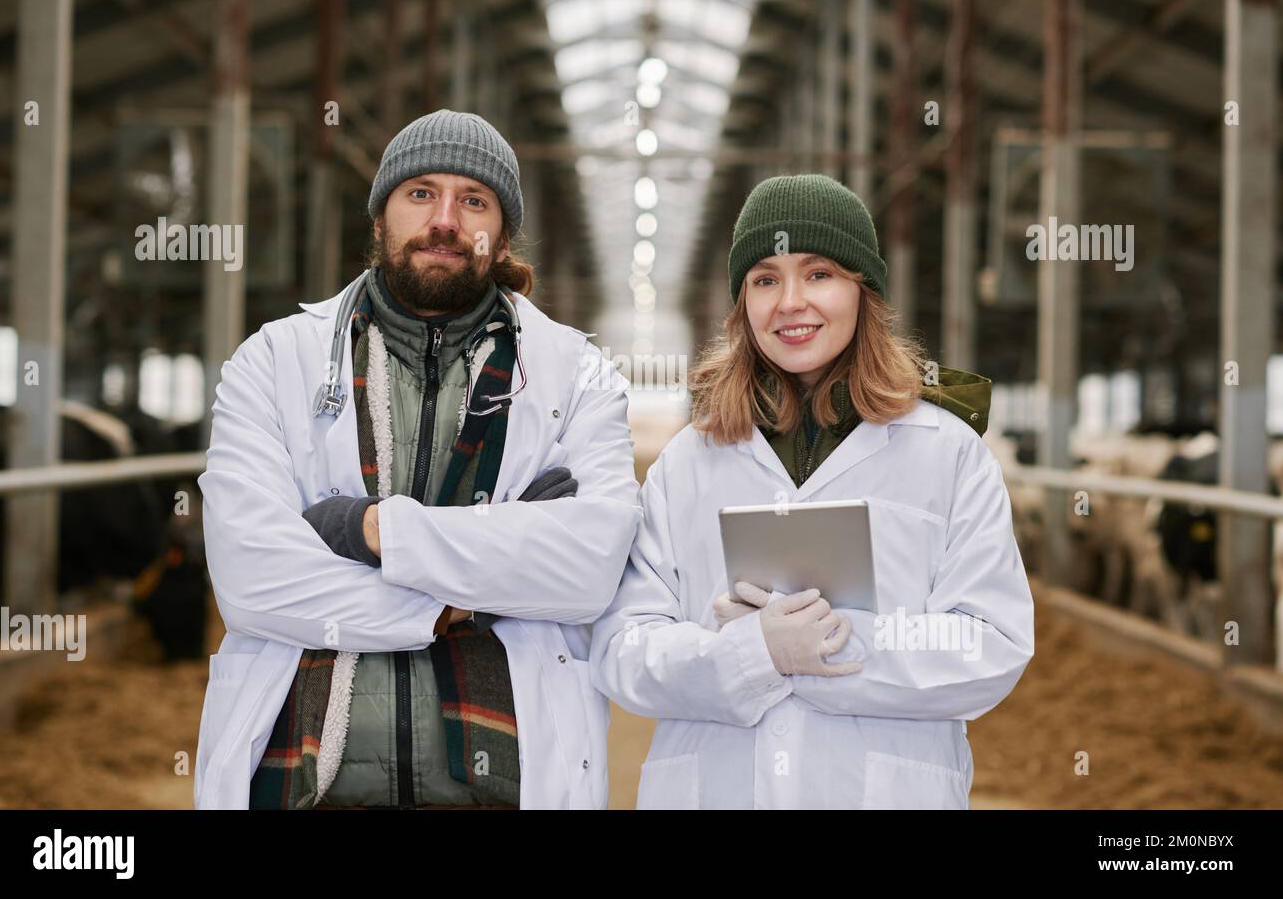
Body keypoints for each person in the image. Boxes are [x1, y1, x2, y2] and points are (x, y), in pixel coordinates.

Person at [195, 110, 640, 810]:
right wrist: (461, 602)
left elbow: (588, 571)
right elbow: (252, 581)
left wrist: (366, 532)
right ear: (381, 217)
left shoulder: (579, 374)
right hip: (305, 782)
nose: (445, 220)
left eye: (474, 200)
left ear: (502, 230)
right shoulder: (273, 361)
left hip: (504, 783)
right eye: (421, 193)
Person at [591, 173, 1034, 809]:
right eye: (765, 279)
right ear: (742, 304)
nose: (790, 302)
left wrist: (825, 646)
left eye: (819, 273)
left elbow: (990, 645)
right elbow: (623, 650)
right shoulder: (687, 462)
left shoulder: (947, 453)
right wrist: (749, 654)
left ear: (864, 291)